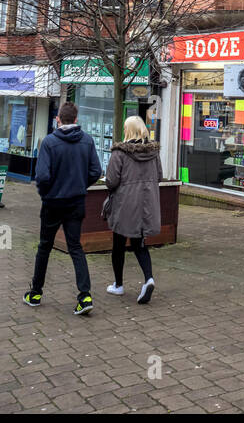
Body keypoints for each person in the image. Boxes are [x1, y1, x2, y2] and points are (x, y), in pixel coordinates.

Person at [23, 101, 101, 315]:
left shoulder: (49, 142)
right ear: (76, 120)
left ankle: (36, 293)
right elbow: (96, 170)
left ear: (58, 119)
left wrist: (47, 193)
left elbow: (42, 176)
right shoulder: (87, 141)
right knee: (75, 247)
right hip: (76, 202)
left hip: (53, 203)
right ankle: (85, 296)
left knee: (44, 247)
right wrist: (80, 185)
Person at [103, 116, 162, 304]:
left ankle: (118, 285)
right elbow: (159, 177)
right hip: (146, 206)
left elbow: (111, 181)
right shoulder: (154, 153)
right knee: (140, 244)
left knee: (118, 245)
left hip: (124, 206)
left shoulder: (119, 153)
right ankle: (149, 279)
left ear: (128, 130)